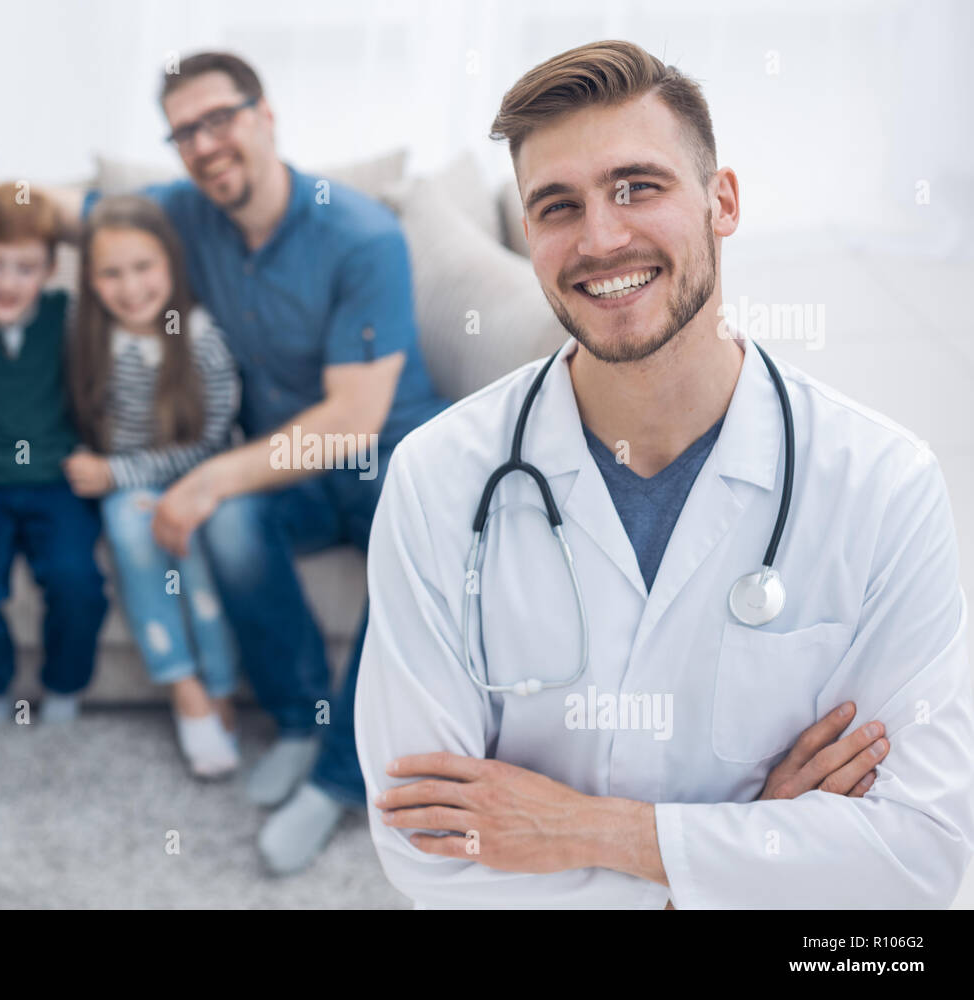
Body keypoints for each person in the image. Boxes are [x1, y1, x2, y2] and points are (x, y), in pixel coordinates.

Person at [355, 40, 974, 908]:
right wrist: (743, 856)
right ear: (528, 232)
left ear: (722, 201)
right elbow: (425, 843)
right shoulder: (437, 479)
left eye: (637, 187)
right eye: (557, 206)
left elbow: (918, 858)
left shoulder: (885, 488)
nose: (601, 239)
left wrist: (589, 832)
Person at [72, 52, 449, 873]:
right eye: (183, 133)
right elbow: (82, 213)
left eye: (220, 119)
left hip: (391, 457)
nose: (204, 146)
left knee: (412, 553)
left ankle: (339, 781)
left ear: (266, 114)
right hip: (291, 470)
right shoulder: (185, 215)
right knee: (233, 520)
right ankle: (298, 714)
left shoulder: (362, 235)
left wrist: (205, 475)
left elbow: (353, 420)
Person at [63, 193, 242, 777]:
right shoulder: (86, 337)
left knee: (188, 550)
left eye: (144, 268)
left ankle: (220, 684)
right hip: (124, 492)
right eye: (111, 274)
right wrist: (112, 478)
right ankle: (185, 690)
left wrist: (119, 473)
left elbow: (212, 444)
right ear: (90, 280)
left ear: (170, 265)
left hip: (195, 477)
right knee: (128, 526)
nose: (131, 288)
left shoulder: (200, 341)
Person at [0, 183, 109, 725]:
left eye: (26, 268)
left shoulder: (69, 315)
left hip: (55, 478)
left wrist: (62, 209)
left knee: (76, 581)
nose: (8, 283)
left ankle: (64, 685)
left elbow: (111, 242)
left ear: (53, 268)